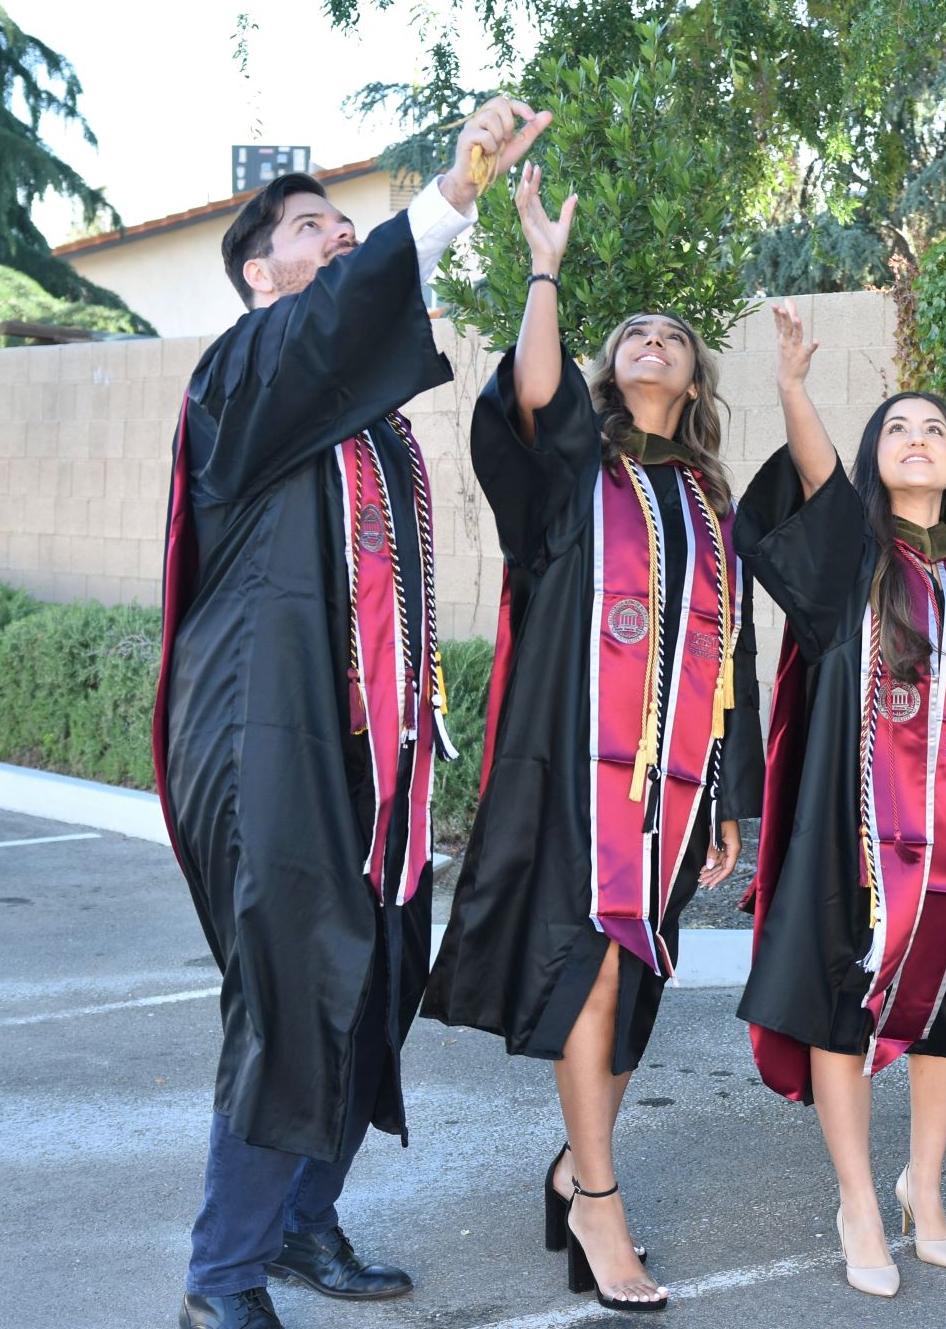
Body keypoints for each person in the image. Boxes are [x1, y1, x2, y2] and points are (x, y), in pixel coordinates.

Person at [156, 97, 549, 1329]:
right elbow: (341, 317)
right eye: (313, 226)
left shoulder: (364, 429)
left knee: (372, 976)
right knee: (289, 984)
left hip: (370, 760)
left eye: (344, 224)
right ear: (257, 269)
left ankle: (298, 1222)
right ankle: (219, 1279)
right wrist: (457, 186)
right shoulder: (246, 370)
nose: (337, 239)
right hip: (269, 743)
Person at [421, 165, 761, 1315]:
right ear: (610, 369)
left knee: (636, 993)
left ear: (697, 376)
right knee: (592, 978)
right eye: (635, 335)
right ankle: (601, 1202)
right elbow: (532, 389)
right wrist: (545, 267)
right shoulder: (578, 470)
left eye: (673, 336)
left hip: (671, 796)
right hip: (577, 778)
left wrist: (726, 796)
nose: (653, 343)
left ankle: (575, 1170)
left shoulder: (711, 503)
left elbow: (732, 663)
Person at [735, 303, 946, 1298]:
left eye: (936, 429)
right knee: (841, 1002)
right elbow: (816, 493)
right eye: (898, 429)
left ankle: (928, 1183)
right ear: (875, 458)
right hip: (852, 834)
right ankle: (861, 1200)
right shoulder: (850, 560)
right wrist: (793, 388)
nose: (919, 440)